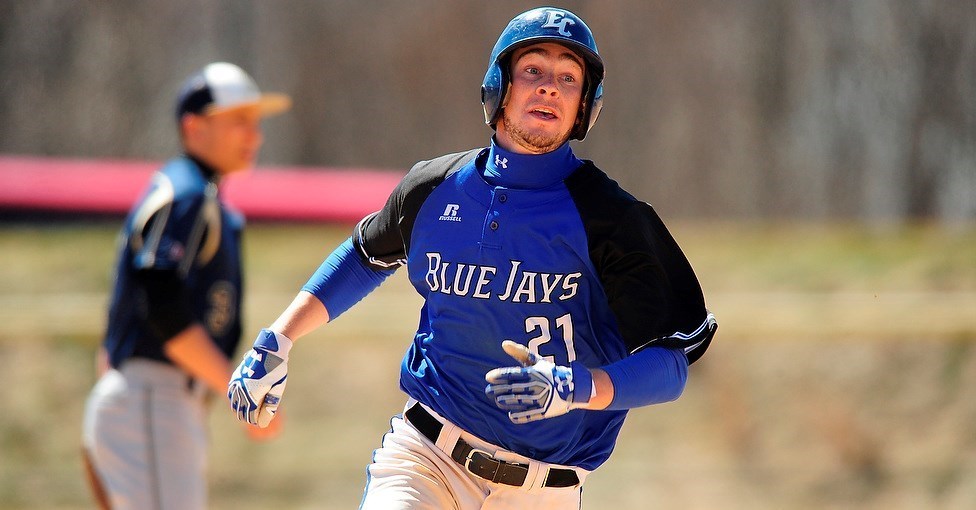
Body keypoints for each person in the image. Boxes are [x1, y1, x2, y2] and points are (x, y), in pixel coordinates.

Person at [228, 7, 717, 509]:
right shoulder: (435, 187)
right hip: (425, 459)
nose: (549, 87)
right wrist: (279, 337)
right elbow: (363, 256)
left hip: (542, 491)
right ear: (499, 86)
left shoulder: (612, 218)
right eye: (533, 70)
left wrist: (579, 387)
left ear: (585, 107)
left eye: (568, 78)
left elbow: (671, 367)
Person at [81, 62, 291, 510]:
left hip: (149, 402)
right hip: (151, 399)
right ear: (193, 127)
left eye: (254, 123)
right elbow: (159, 301)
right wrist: (241, 394)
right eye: (238, 121)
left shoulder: (190, 192)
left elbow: (133, 299)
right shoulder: (188, 193)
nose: (253, 135)